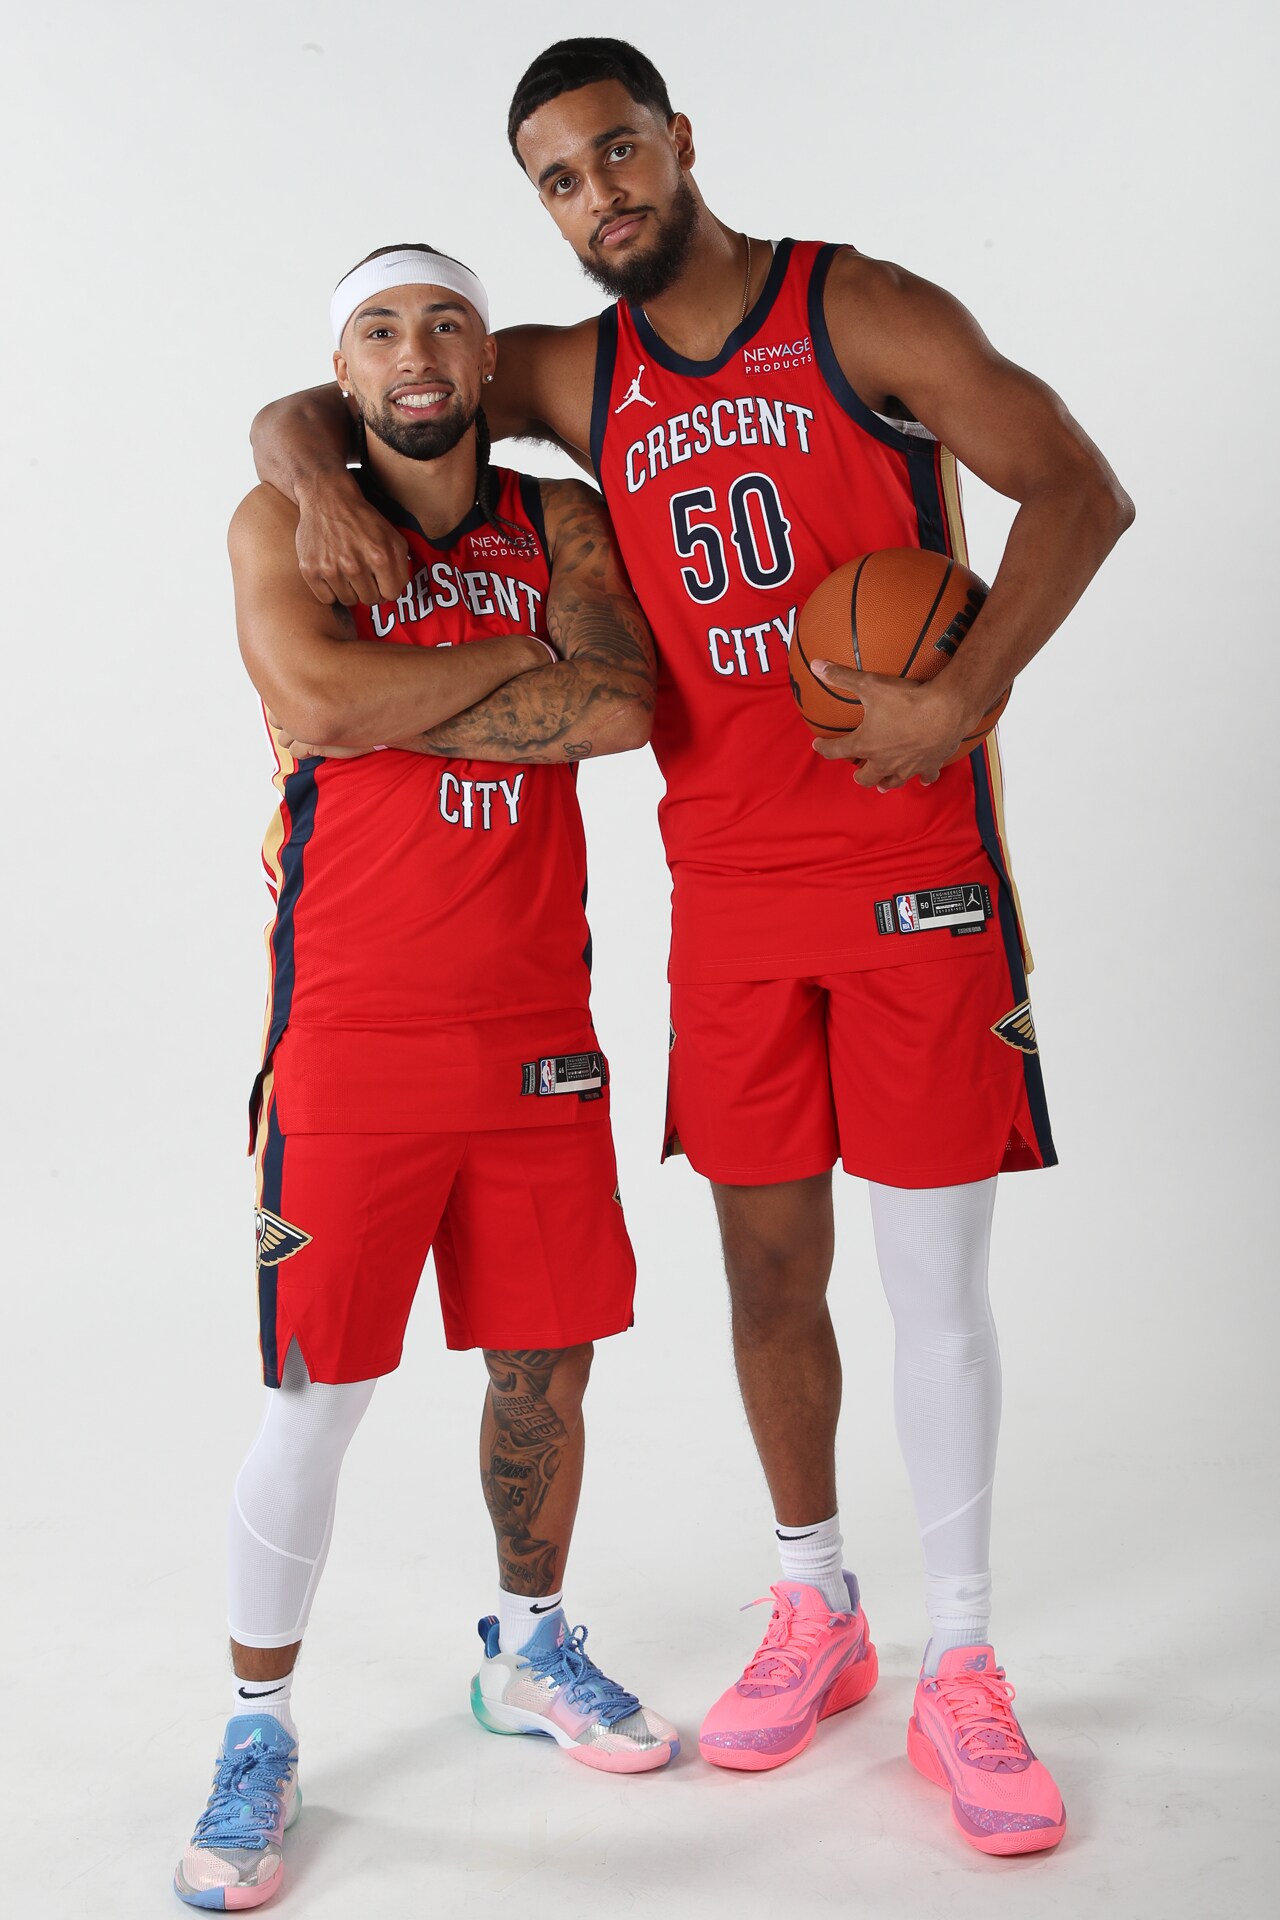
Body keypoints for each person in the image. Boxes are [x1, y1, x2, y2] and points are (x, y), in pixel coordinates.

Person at [251, 41, 1134, 1858]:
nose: (599, 199)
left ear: (681, 141)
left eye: (618, 155)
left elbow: (1081, 487)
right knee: (765, 1273)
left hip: (909, 867)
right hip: (726, 889)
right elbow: (372, 388)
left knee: (933, 1281)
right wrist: (286, 445)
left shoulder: (860, 309)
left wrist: (964, 693)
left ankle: (964, 1659)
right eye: (561, 185)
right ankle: (815, 1605)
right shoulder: (578, 373)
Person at [175, 244, 674, 1913]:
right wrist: (479, 673)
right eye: (381, 326)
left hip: (536, 1032)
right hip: (355, 1032)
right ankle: (257, 1726)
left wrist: (401, 702)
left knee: (546, 1370)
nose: (420, 347)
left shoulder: (556, 519)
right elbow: (308, 694)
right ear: (342, 366)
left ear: (483, 351)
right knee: (313, 1399)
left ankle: (530, 1650)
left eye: (447, 318)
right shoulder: (288, 520)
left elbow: (617, 702)